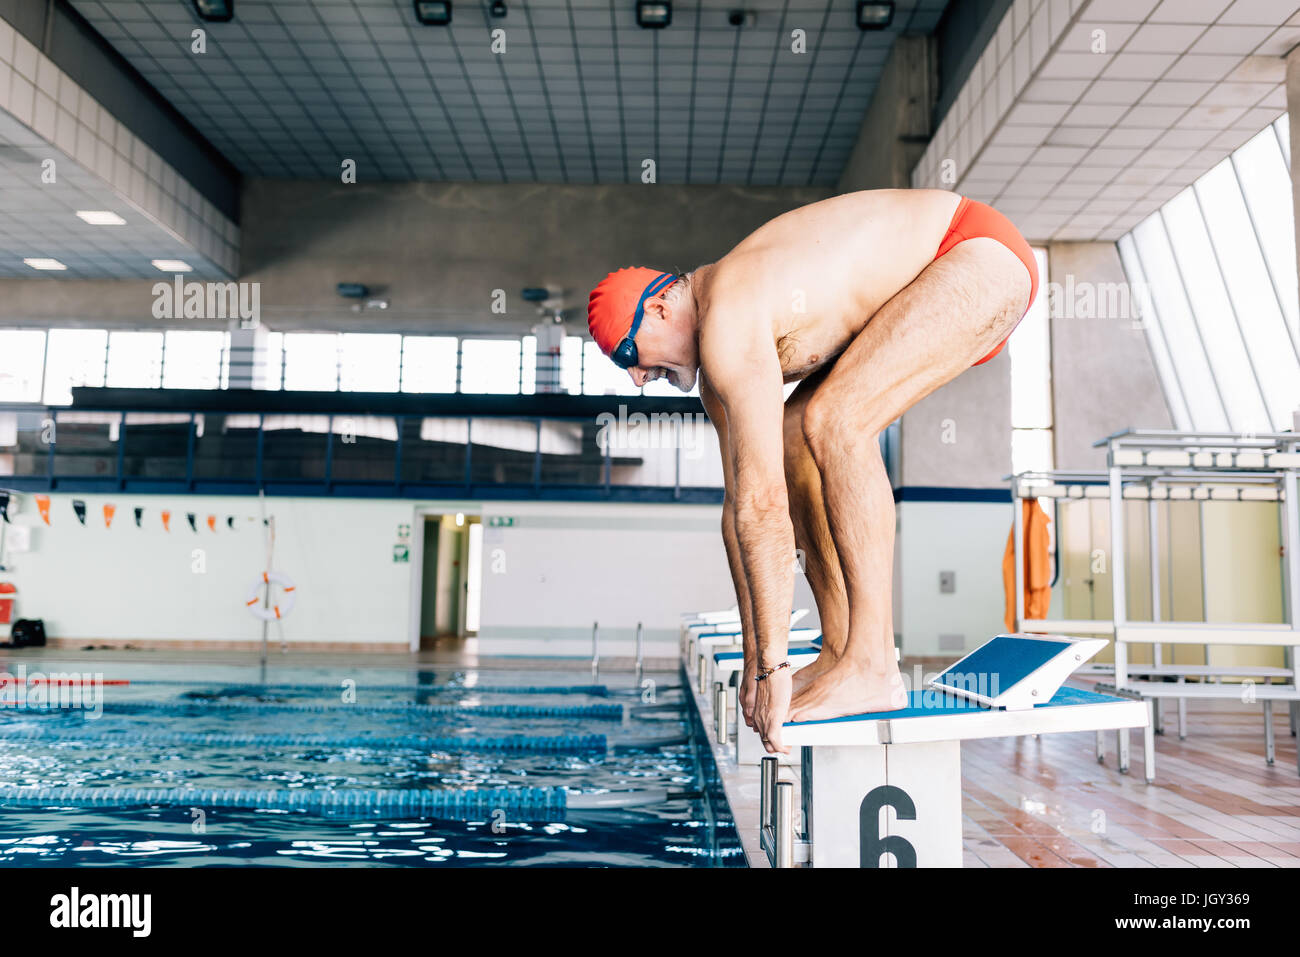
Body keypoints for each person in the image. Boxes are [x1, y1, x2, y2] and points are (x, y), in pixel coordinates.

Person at [586, 189, 1038, 754]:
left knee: (836, 419)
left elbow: (765, 507)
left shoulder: (728, 315)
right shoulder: (718, 365)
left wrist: (775, 665)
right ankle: (842, 651)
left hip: (976, 254)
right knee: (798, 434)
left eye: (628, 353)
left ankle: (873, 664)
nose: (635, 377)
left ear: (658, 309)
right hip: (946, 270)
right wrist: (758, 666)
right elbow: (739, 512)